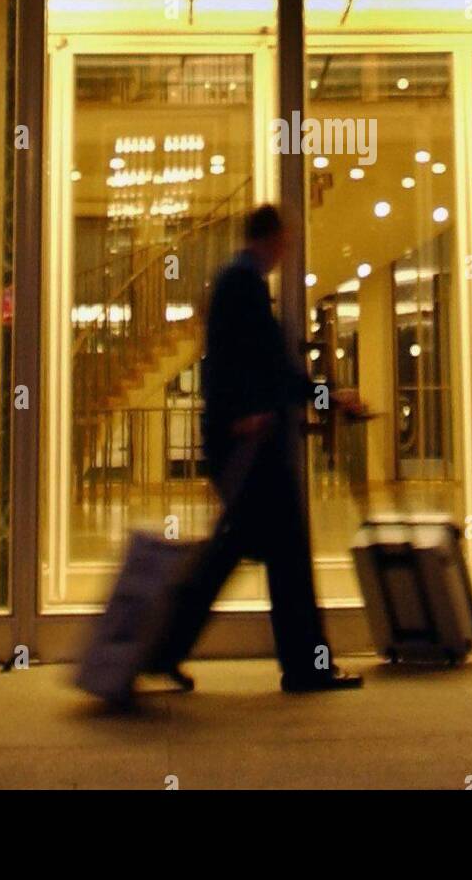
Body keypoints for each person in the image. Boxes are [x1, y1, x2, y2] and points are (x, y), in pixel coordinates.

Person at [153, 203, 364, 693]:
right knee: (282, 559)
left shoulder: (236, 282)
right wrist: (328, 398)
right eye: (285, 242)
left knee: (235, 557)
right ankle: (306, 666)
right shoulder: (243, 285)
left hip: (244, 442)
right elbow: (270, 367)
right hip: (252, 445)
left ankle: (164, 648)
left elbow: (249, 364)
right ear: (270, 239)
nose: (286, 252)